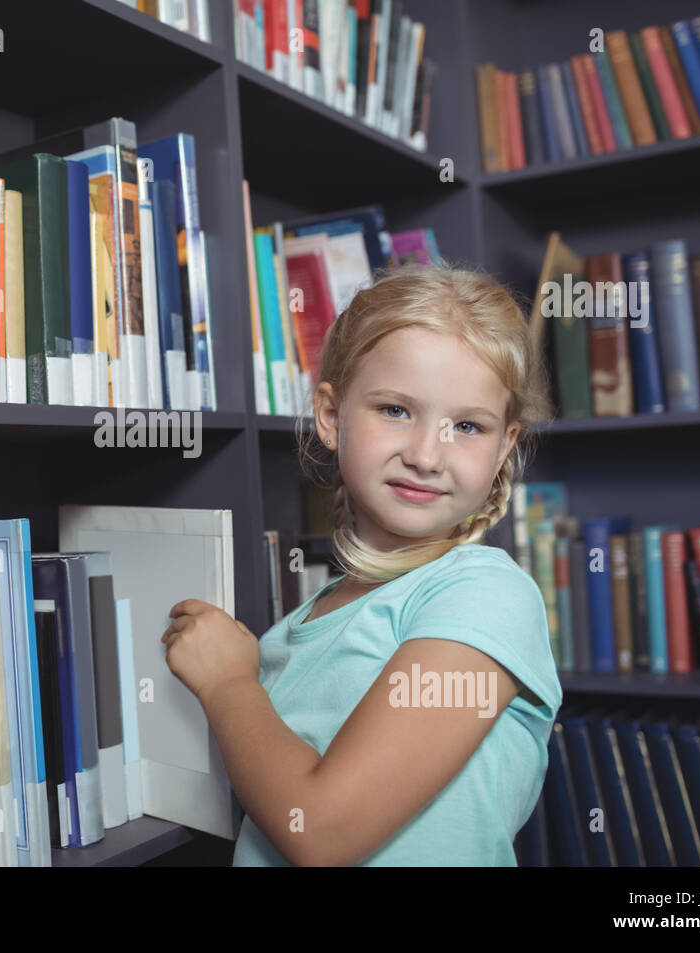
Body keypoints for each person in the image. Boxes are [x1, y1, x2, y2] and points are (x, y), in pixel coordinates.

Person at [162, 265, 563, 865]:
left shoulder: (484, 595)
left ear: (505, 445)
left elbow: (321, 832)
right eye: (396, 411)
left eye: (467, 426)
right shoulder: (303, 621)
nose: (427, 455)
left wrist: (226, 683)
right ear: (330, 415)